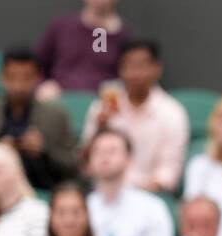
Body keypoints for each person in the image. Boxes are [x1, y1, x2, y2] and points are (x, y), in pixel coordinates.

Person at [0, 49, 77, 193]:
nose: (19, 85)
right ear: (2, 77)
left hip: (43, 189)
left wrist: (44, 151)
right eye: (12, 77)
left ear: (37, 78)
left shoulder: (56, 116)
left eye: (26, 77)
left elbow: (72, 166)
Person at [80, 39, 188, 194]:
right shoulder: (102, 108)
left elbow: (168, 172)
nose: (133, 74)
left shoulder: (172, 112)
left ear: (157, 69)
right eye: (127, 67)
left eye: (141, 66)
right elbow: (85, 164)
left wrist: (138, 193)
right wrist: (100, 129)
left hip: (150, 194)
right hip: (105, 191)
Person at [84, 128, 174, 236]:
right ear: (89, 162)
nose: (105, 157)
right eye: (98, 152)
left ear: (129, 159)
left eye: (112, 151)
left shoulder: (152, 207)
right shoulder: (83, 208)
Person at [34, 0, 128, 97]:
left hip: (101, 104)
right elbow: (36, 65)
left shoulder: (123, 37)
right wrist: (43, 86)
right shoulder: (62, 27)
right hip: (59, 100)